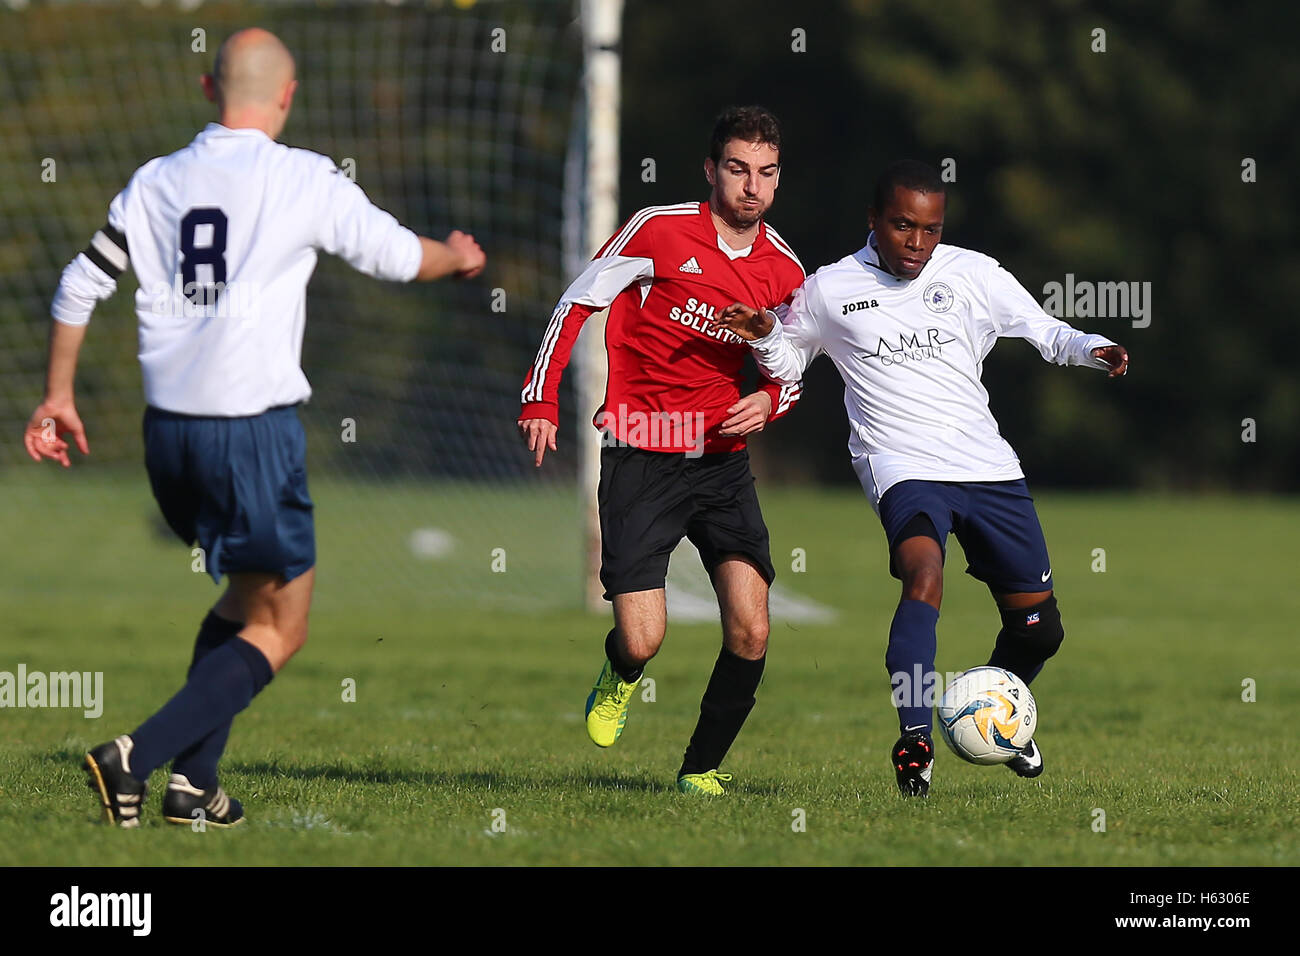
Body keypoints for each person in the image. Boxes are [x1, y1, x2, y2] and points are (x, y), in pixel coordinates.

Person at [23, 28, 485, 827]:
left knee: (246, 601)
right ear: (288, 95)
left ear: (209, 88)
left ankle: (194, 788)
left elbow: (76, 284)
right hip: (251, 437)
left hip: (167, 438)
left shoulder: (154, 181)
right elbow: (397, 259)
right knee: (288, 624)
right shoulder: (302, 178)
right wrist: (455, 254)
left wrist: (58, 395)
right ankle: (135, 755)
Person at [708, 159, 1128, 796]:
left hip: (986, 468)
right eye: (902, 226)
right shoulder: (831, 287)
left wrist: (1091, 347)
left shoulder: (973, 273)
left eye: (930, 229)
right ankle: (915, 739)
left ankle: (991, 714)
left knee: (1040, 630)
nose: (917, 242)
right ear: (873, 220)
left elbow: (1040, 329)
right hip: (901, 467)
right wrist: (767, 334)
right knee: (923, 575)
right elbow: (789, 361)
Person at [517, 106, 805, 796]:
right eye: (737, 169)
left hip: (722, 459)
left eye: (765, 173)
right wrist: (540, 396)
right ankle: (620, 672)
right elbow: (577, 302)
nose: (750, 186)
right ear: (712, 171)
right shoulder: (658, 229)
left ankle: (701, 768)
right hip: (643, 453)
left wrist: (770, 401)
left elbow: (792, 364)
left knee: (752, 626)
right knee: (644, 638)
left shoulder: (784, 269)